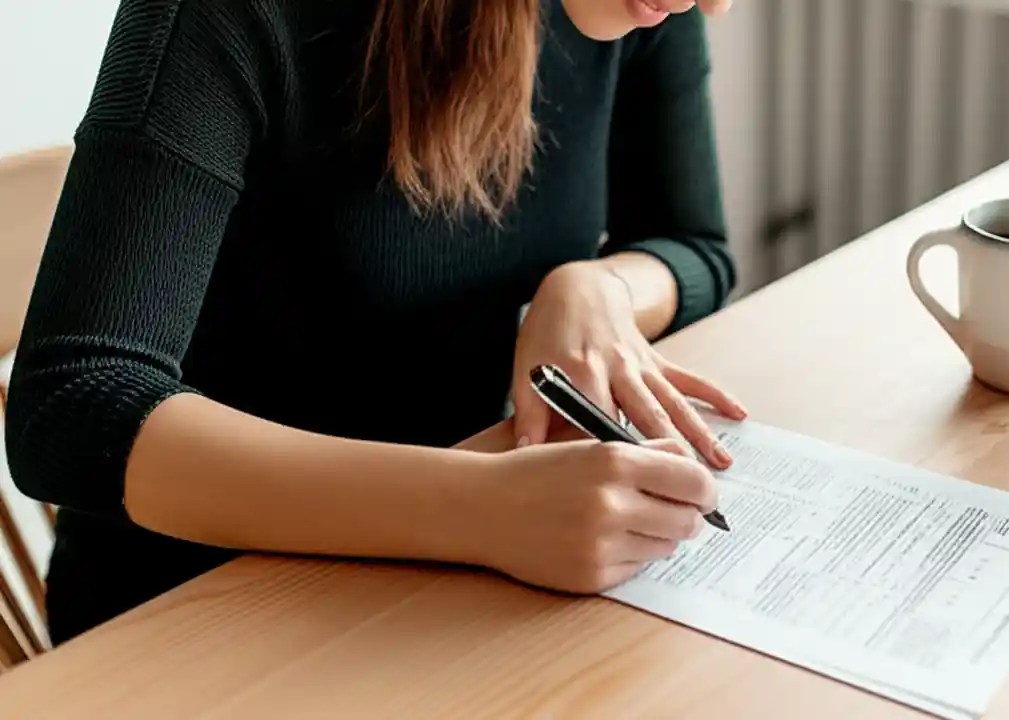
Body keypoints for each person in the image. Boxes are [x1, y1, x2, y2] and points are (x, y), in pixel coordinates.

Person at [5, 0, 744, 645]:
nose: (711, 4)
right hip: (200, 615)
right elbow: (71, 413)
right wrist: (479, 508)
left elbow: (693, 246)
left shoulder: (641, 8)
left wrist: (595, 289)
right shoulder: (229, 13)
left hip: (457, 578)